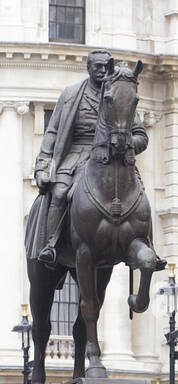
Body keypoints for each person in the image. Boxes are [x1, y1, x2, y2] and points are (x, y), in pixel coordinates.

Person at [31, 50, 149, 267]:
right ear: (88, 68)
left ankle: (148, 245)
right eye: (98, 66)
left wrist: (127, 143)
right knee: (58, 192)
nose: (103, 70)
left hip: (115, 156)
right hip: (77, 152)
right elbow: (53, 132)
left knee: (140, 196)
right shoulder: (71, 94)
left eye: (106, 66)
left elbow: (141, 136)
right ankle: (51, 244)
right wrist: (43, 166)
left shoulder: (120, 91)